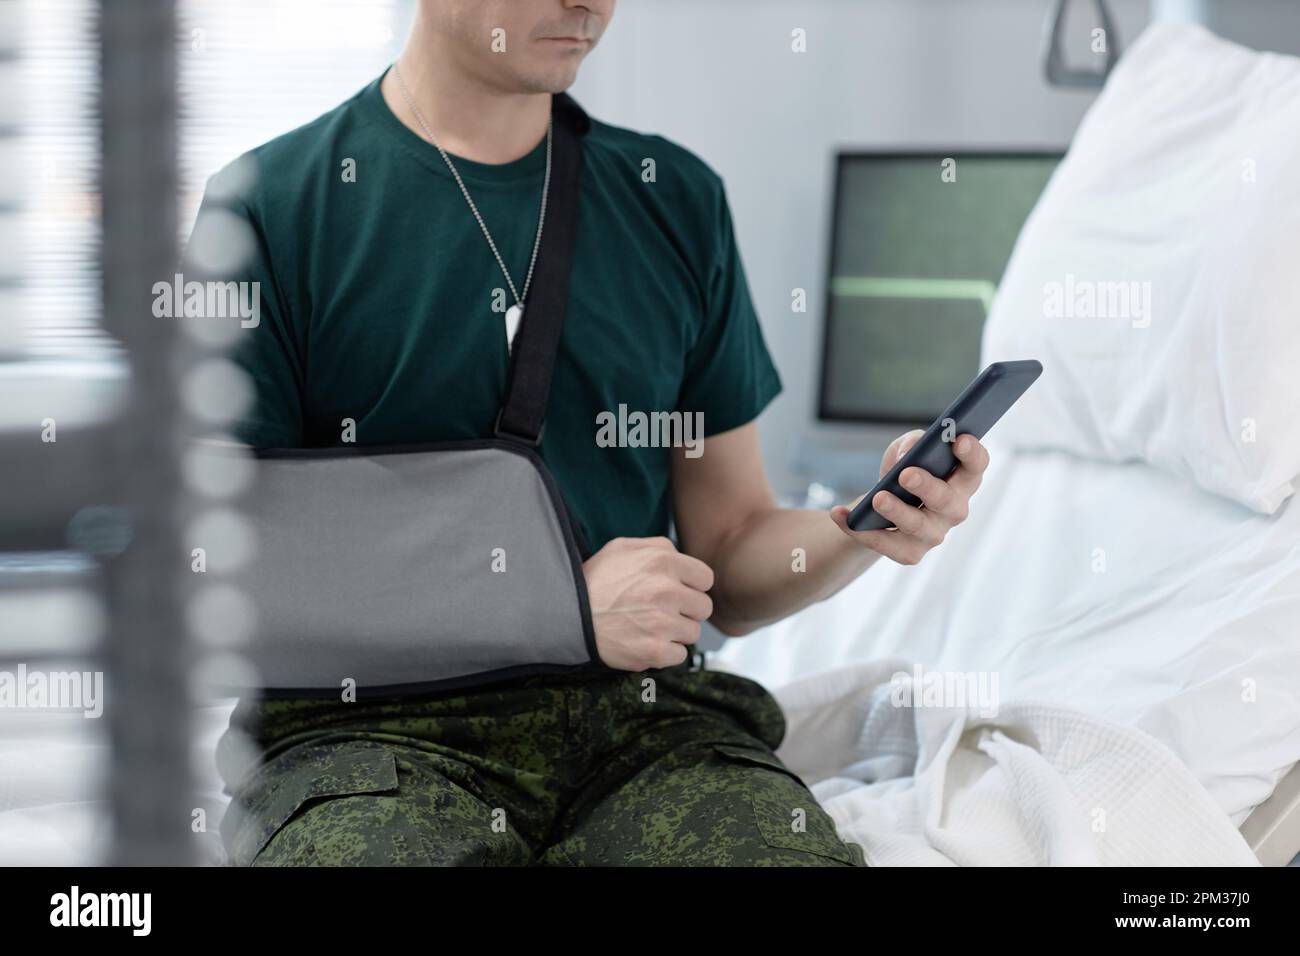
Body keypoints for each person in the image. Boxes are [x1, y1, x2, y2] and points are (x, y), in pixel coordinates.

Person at [199, 0, 989, 866]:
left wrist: (857, 530)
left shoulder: (673, 199)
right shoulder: (270, 210)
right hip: (371, 741)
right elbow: (244, 584)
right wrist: (559, 610)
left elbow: (725, 550)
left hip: (643, 735)